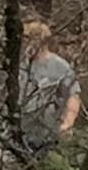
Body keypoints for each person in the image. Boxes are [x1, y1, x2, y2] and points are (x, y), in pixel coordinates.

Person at [19, 20, 80, 153]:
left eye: (29, 40)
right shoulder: (20, 66)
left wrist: (67, 123)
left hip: (48, 132)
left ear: (41, 41)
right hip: (21, 131)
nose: (25, 44)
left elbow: (72, 96)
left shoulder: (60, 66)